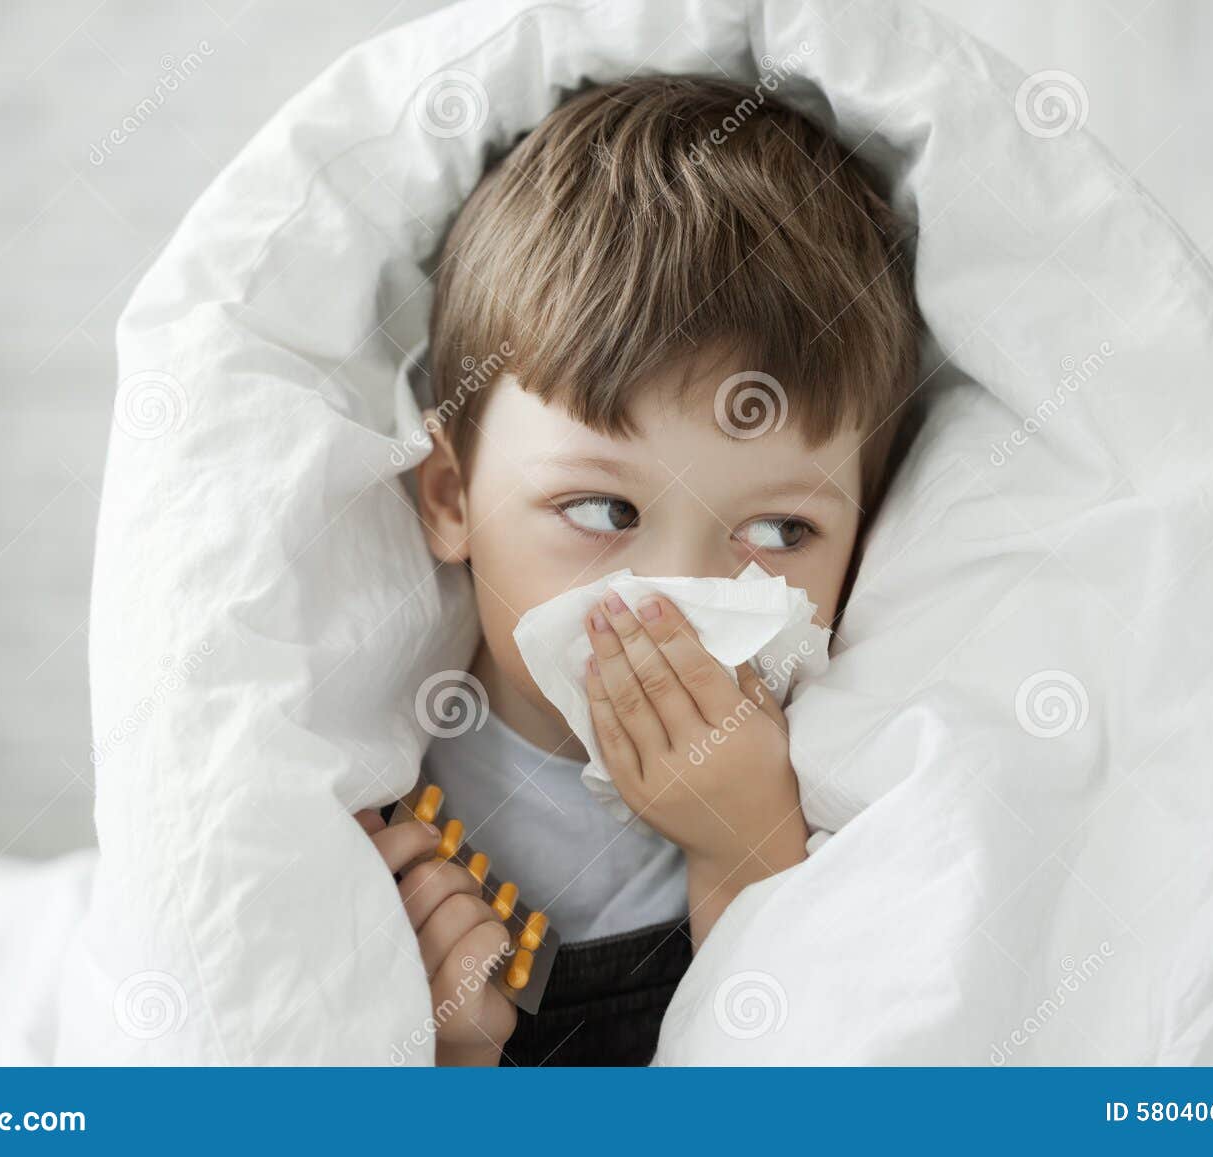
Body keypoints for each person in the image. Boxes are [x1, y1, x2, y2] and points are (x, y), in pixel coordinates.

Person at [365, 75, 921, 1066]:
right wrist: (448, 1060)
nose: (670, 590)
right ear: (452, 497)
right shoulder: (386, 769)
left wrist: (743, 851)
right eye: (602, 510)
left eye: (780, 529)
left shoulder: (837, 782)